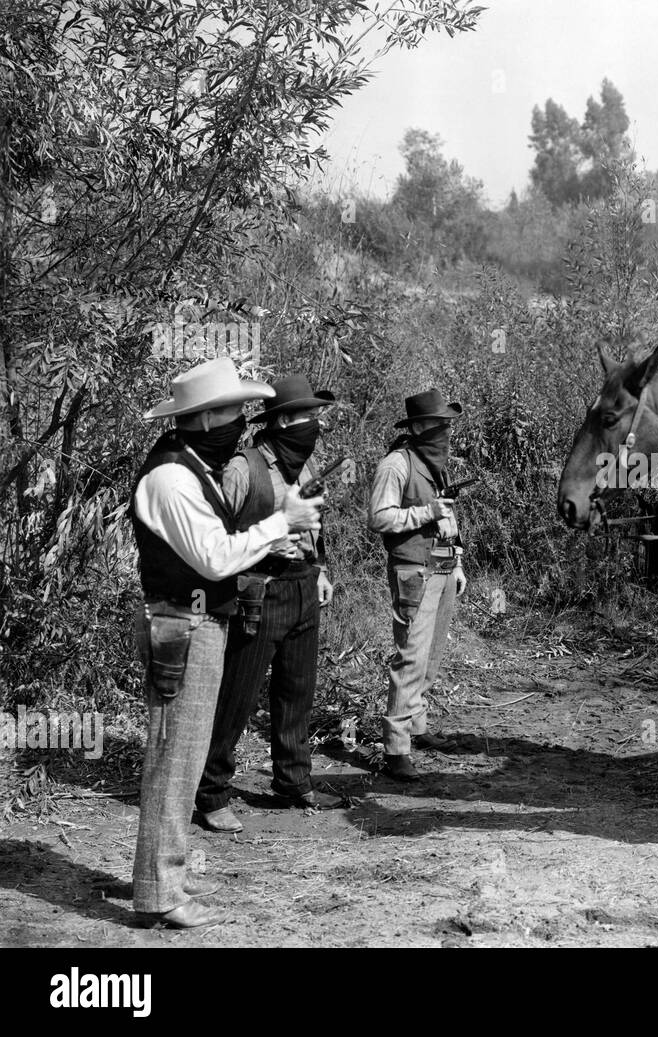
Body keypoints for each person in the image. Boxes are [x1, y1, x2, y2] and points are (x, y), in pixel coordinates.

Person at [131, 357, 321, 928]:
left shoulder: (193, 467)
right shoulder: (172, 477)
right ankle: (161, 893)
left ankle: (158, 880)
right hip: (182, 628)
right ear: (208, 416)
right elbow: (214, 557)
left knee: (181, 761)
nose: (243, 422)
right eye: (236, 411)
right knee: (175, 761)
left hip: (196, 624)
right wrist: (280, 523)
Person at [194, 375, 342, 833]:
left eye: (318, 416)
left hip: (302, 589)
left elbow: (316, 525)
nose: (315, 424)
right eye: (307, 416)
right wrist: (266, 544)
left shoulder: (310, 463)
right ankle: (211, 793)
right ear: (281, 420)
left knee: (298, 691)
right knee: (236, 696)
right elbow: (213, 539)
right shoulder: (244, 469)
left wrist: (320, 571)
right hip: (258, 591)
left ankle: (293, 780)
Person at [368, 389, 468, 782]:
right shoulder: (396, 465)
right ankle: (395, 748)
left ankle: (417, 726)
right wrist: (427, 512)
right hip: (415, 569)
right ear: (420, 426)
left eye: (448, 424)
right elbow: (379, 518)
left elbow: (447, 516)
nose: (447, 430)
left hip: (443, 568)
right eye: (441, 424)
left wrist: (457, 560)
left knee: (431, 656)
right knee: (410, 657)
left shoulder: (433, 461)